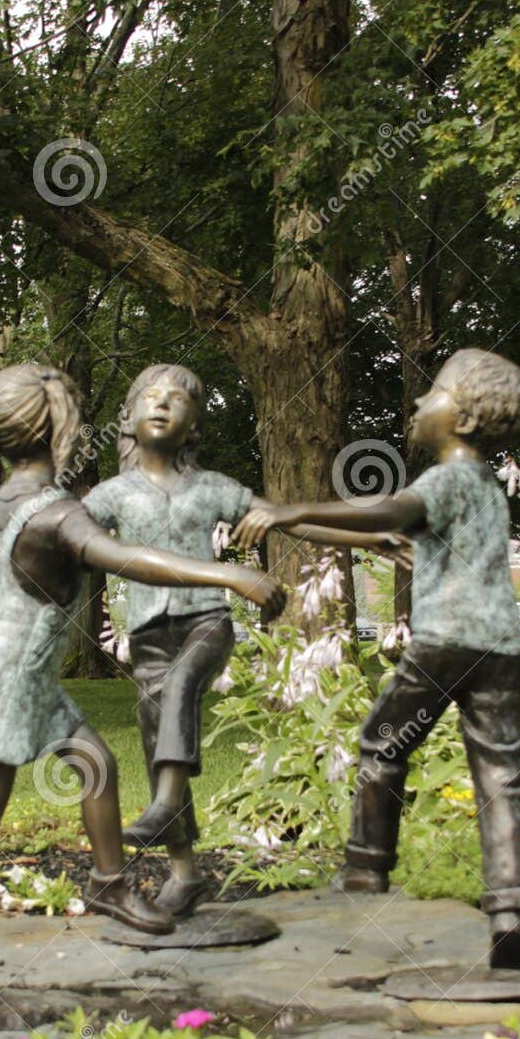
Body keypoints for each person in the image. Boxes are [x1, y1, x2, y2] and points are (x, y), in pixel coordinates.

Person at [0, 361, 284, 1006]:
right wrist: (229, 577)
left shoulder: (2, 505)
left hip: (24, 669)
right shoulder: (57, 514)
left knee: (97, 764)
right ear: (59, 432)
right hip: (6, 680)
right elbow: (132, 559)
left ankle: (109, 882)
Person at [234, 348, 520, 973]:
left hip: (445, 643)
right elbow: (379, 532)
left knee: (382, 741)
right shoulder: (484, 491)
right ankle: (509, 913)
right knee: (500, 778)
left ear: (464, 419)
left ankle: (365, 869)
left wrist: (297, 508)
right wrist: (297, 523)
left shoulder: (446, 479)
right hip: (500, 648)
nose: (420, 404)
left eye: (433, 394)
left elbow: (387, 511)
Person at [84, 363, 403, 917]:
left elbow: (288, 521)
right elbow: (67, 534)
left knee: (183, 688)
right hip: (147, 633)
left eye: (177, 400)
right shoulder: (111, 495)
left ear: (195, 428)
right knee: (159, 741)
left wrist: (370, 535)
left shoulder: (214, 489)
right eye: (149, 398)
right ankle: (185, 876)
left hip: (205, 621)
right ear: (129, 421)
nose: (162, 404)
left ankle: (161, 806)